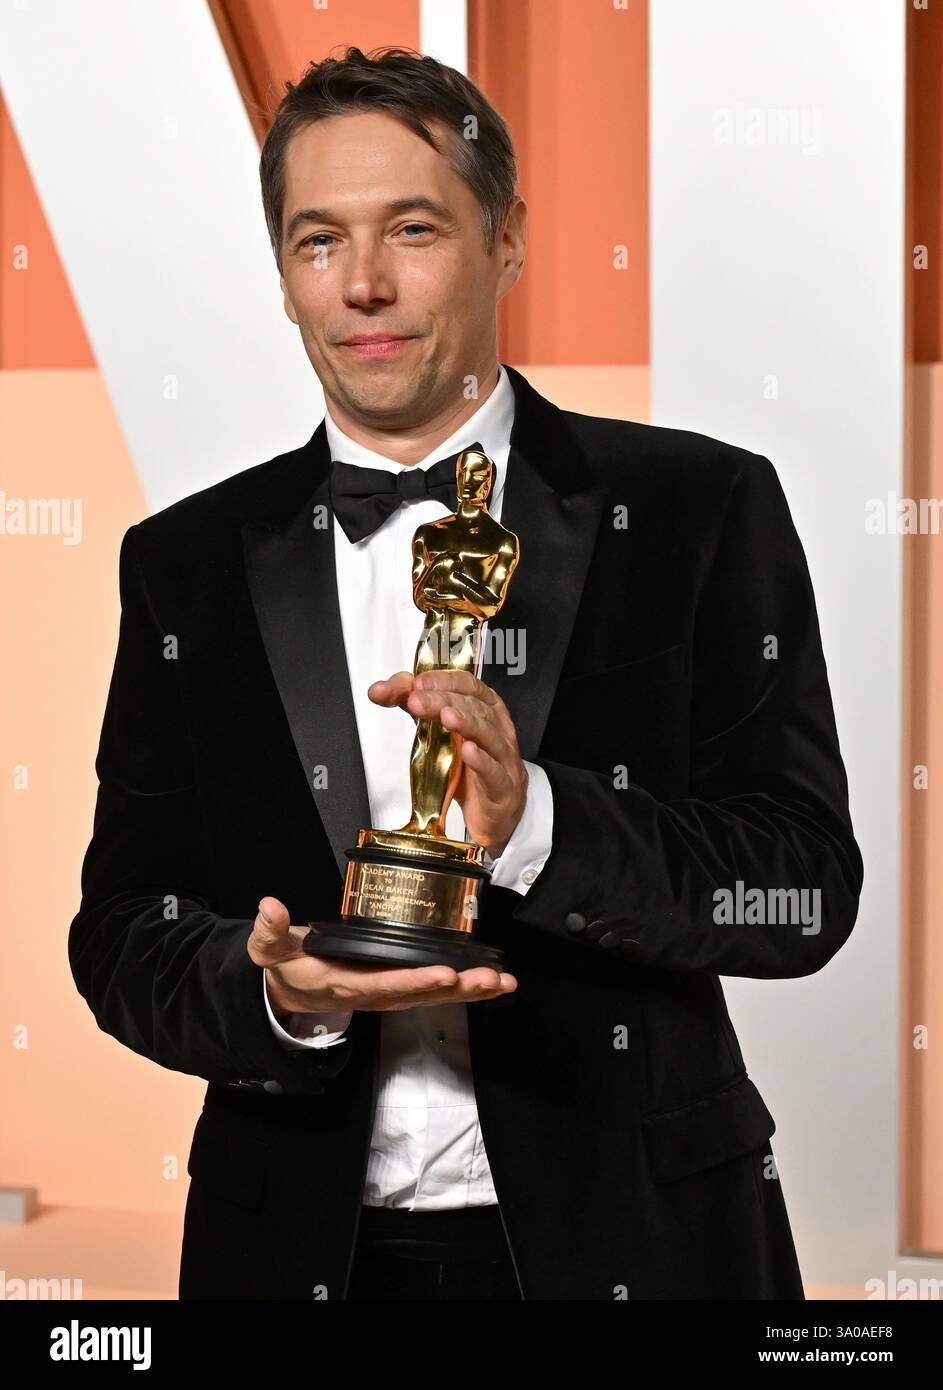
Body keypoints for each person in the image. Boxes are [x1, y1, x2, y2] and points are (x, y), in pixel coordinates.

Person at [68, 45, 864, 1301]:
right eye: (319, 240)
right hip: (289, 1251)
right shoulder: (183, 565)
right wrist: (284, 998)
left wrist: (538, 821)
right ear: (283, 275)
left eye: (415, 228)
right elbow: (120, 935)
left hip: (641, 1246)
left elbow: (802, 890)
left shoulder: (697, 507)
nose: (365, 286)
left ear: (506, 241)